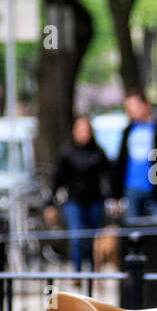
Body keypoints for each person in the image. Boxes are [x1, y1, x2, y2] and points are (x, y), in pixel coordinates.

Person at [44, 115, 111, 272]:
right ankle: (77, 271)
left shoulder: (98, 152)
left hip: (94, 201)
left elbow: (107, 176)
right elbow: (57, 180)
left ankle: (93, 271)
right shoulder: (66, 153)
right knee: (76, 237)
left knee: (93, 239)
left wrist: (110, 197)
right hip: (74, 201)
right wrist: (50, 203)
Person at [112, 90, 157, 218]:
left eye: (134, 106)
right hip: (132, 187)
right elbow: (121, 161)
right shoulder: (128, 130)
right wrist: (116, 194)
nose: (131, 111)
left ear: (145, 105)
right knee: (134, 230)